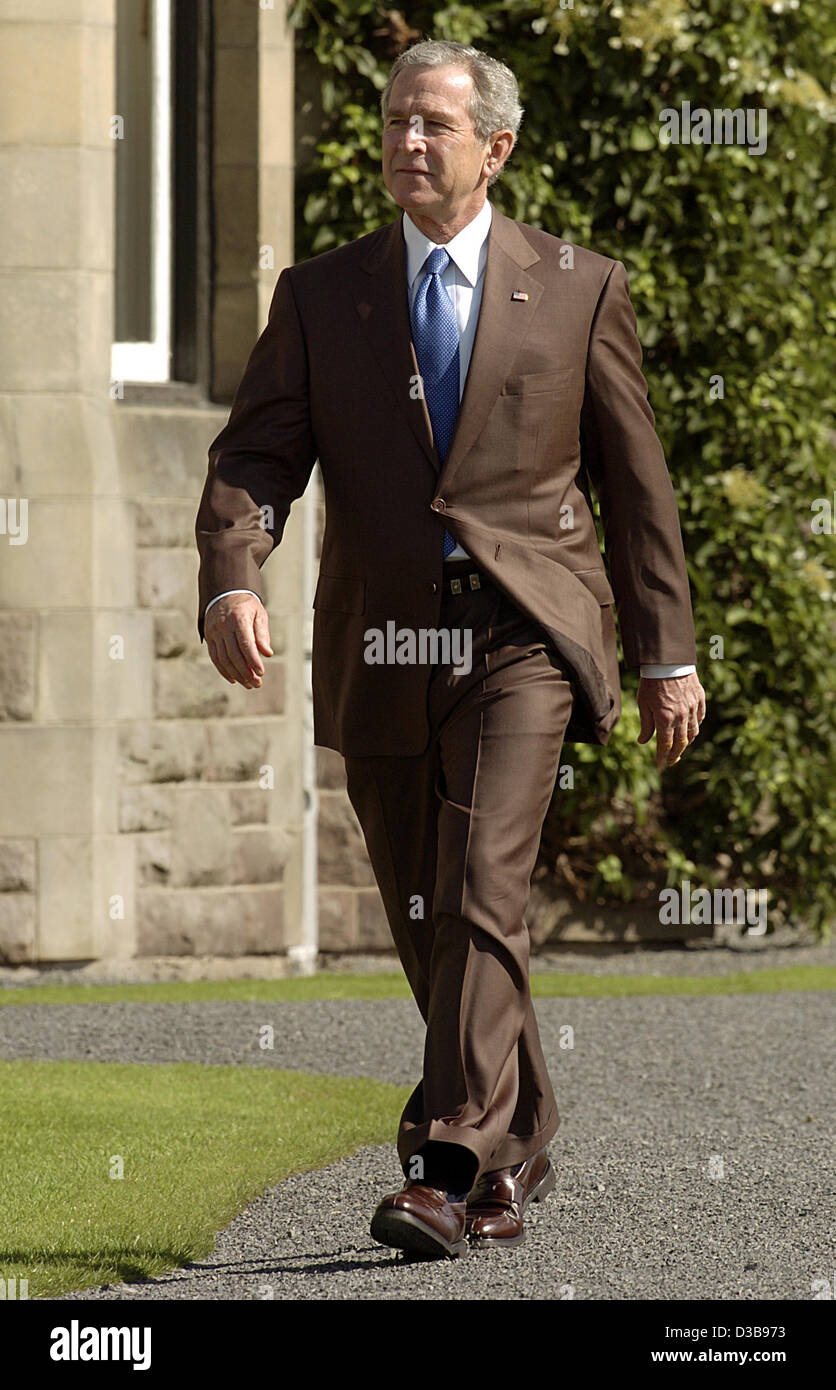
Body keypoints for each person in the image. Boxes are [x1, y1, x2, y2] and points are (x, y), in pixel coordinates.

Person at [195, 39, 706, 1260]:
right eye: (392, 123)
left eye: (432, 124)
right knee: (434, 920)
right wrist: (231, 575)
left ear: (495, 147)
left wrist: (662, 653)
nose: (406, 143)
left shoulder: (579, 287)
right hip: (379, 642)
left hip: (523, 635)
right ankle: (515, 1142)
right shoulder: (320, 296)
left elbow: (638, 490)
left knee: (482, 887)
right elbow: (256, 460)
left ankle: (436, 1162)